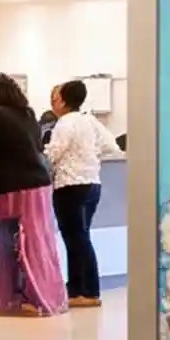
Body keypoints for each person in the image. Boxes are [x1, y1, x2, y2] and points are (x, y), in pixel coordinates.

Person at [0, 74, 66, 317]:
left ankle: (25, 298)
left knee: (18, 242)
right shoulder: (27, 114)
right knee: (38, 240)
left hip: (14, 185)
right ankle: (44, 296)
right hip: (38, 183)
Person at [46, 79, 122, 308]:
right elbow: (112, 146)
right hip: (92, 184)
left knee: (76, 238)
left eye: (57, 97)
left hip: (70, 185)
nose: (53, 102)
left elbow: (53, 155)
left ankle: (87, 291)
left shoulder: (65, 123)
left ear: (65, 100)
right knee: (81, 236)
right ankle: (79, 289)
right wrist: (89, 154)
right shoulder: (90, 121)